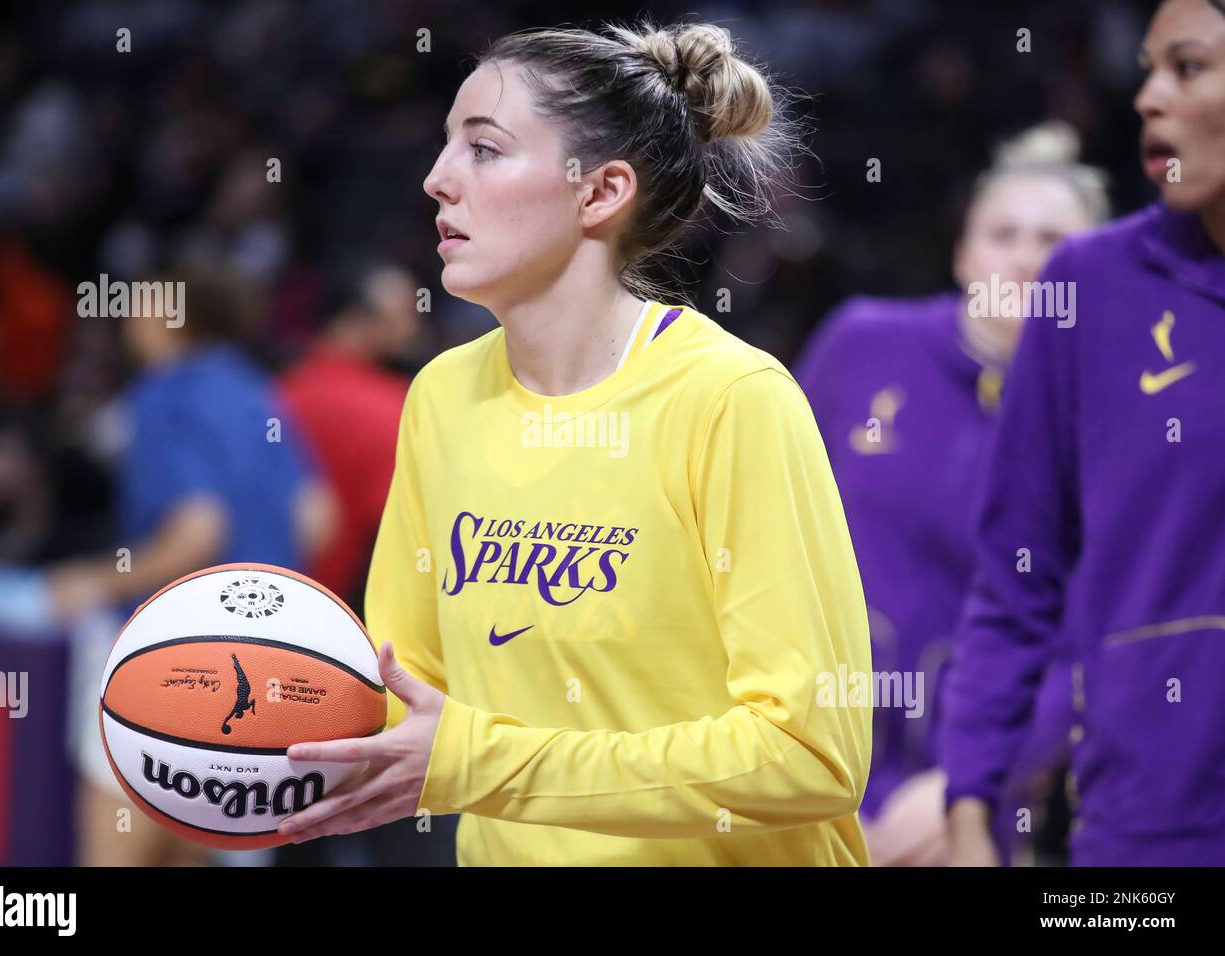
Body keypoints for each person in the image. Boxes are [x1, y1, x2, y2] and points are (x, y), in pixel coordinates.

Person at [275, 20, 873, 866]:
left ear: (599, 193)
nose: (437, 179)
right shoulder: (441, 398)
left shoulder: (732, 400)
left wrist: (489, 763)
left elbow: (811, 756)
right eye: (448, 146)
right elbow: (407, 698)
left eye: (483, 149)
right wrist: (251, 702)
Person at [943, 0, 1225, 866]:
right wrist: (969, 800)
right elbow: (1016, 581)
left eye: (1186, 67)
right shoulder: (1090, 286)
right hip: (1147, 834)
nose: (1147, 97)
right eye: (1145, 68)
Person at [795, 122, 1109, 865]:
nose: (1029, 258)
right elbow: (762, 527)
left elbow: (1088, 646)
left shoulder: (1112, 424)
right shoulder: (861, 342)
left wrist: (964, 789)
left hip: (964, 815)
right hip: (800, 761)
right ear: (966, 254)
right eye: (1004, 234)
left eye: (1056, 241)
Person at [49, 266, 334, 866]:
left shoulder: (163, 394)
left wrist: (90, 581)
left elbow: (197, 530)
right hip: (267, 666)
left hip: (164, 658)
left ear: (167, 316)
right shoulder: (260, 392)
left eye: (139, 304)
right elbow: (317, 518)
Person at [278, 261, 422, 614]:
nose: (413, 328)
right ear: (355, 321)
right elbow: (402, 531)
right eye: (401, 316)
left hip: (266, 604)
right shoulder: (396, 406)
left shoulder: (277, 393)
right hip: (345, 618)